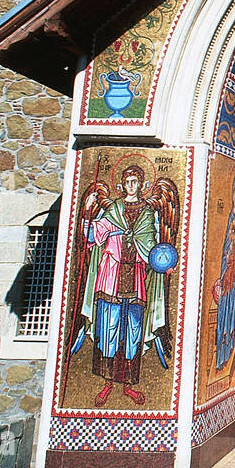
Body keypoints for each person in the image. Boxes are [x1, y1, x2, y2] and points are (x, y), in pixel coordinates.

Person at [78, 165, 160, 407]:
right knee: (109, 329)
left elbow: (151, 245)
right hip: (111, 278)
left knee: (132, 331)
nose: (132, 185)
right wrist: (86, 212)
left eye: (136, 181)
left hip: (134, 278)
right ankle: (107, 384)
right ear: (122, 184)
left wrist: (162, 262)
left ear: (143, 184)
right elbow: (93, 235)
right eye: (128, 181)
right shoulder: (113, 210)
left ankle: (128, 386)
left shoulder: (146, 213)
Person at [214, 174, 235, 370]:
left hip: (232, 281)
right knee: (223, 316)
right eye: (232, 191)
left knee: (230, 316)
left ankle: (228, 348)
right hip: (226, 281)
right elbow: (226, 249)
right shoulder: (230, 223)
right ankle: (221, 354)